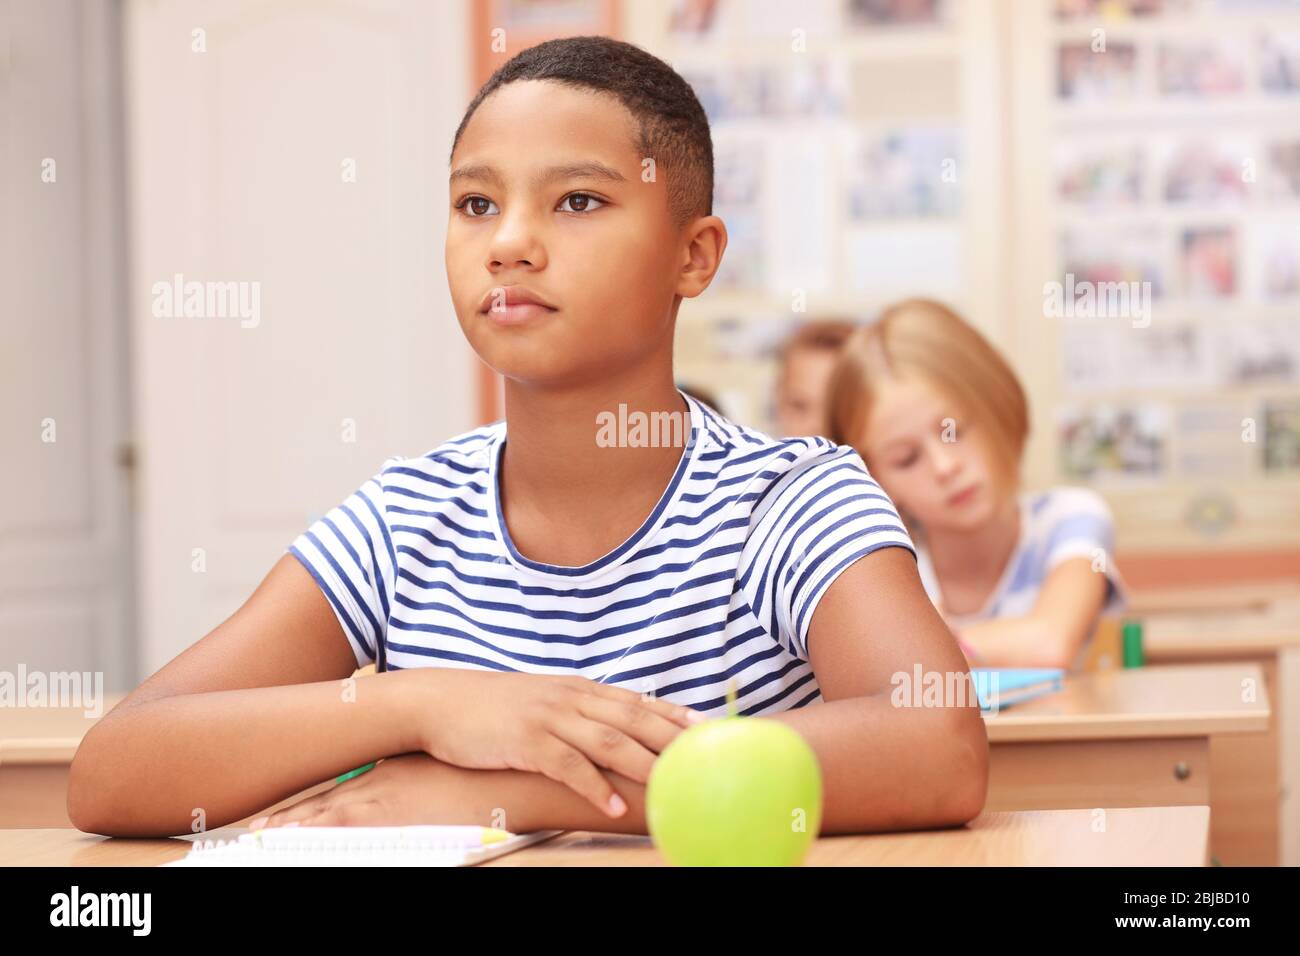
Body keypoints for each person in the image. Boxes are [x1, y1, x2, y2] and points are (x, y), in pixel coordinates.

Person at [68, 39, 985, 839]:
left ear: (693, 255)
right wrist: (421, 705)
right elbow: (114, 770)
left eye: (578, 202)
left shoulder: (790, 498)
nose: (509, 243)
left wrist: (515, 791)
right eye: (475, 205)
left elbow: (933, 743)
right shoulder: (405, 517)